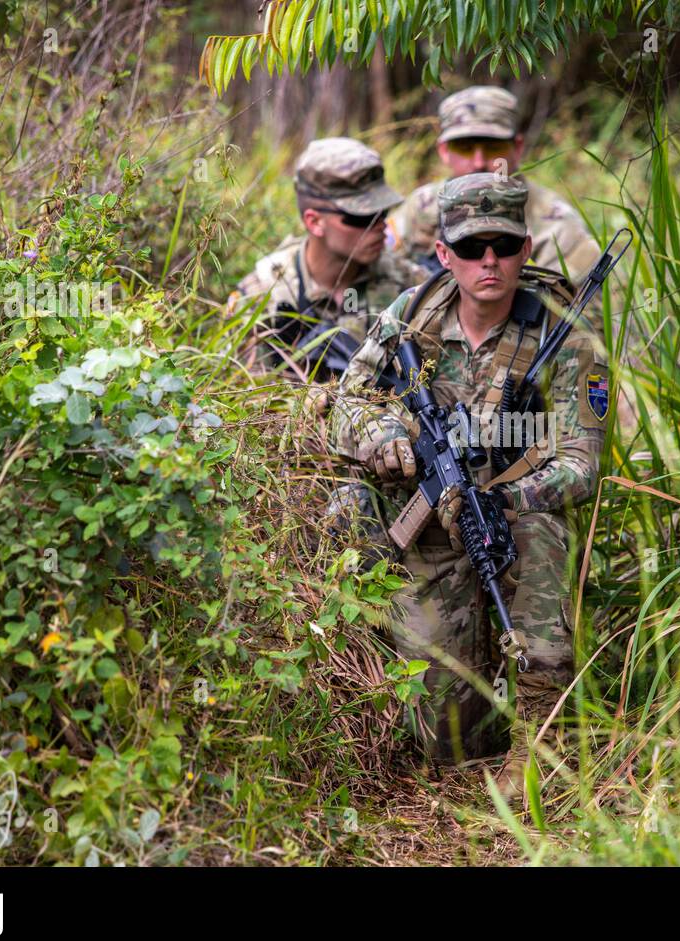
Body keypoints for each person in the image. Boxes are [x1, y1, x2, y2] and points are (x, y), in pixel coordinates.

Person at [330, 173, 609, 802]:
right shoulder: (411, 316)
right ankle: (347, 679)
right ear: (444, 253)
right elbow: (345, 402)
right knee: (444, 739)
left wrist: (505, 500)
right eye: (474, 245)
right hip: (427, 518)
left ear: (526, 249)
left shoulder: (566, 338)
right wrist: (383, 438)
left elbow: (580, 465)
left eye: (504, 246)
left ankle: (540, 739)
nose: (490, 261)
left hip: (508, 517)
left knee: (541, 535)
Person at [225, 137, 427, 375]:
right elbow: (245, 398)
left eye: (384, 212)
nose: (380, 225)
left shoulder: (411, 286)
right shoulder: (261, 297)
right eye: (361, 217)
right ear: (315, 221)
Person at [389, 86, 601, 283]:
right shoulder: (421, 207)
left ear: (517, 148)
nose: (479, 162)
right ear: (444, 151)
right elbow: (379, 265)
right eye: (464, 148)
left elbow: (584, 311)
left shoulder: (556, 222)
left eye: (493, 148)